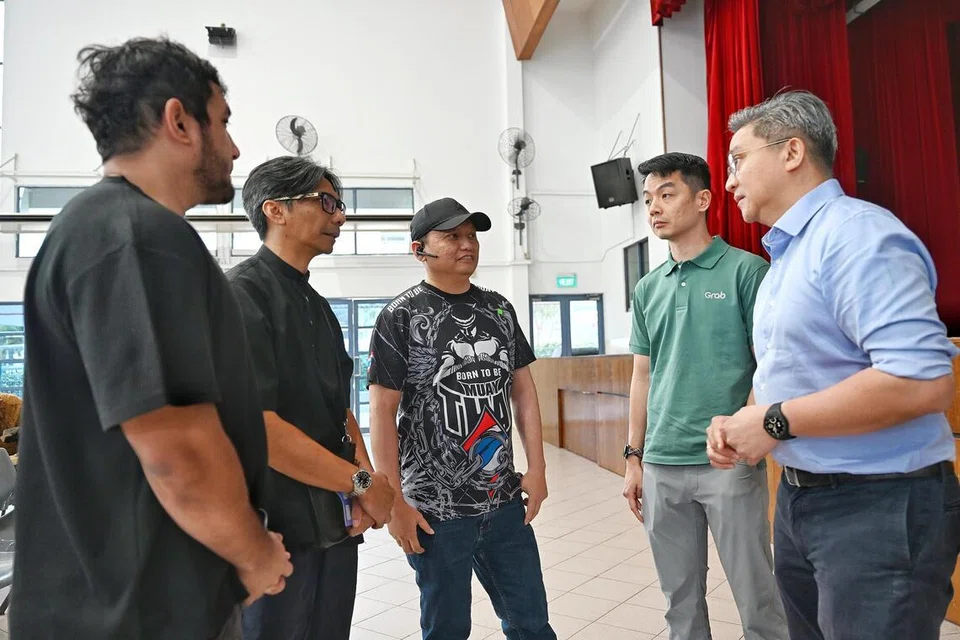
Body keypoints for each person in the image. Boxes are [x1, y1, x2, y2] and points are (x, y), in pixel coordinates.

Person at [12, 38, 293, 640]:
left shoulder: (105, 231)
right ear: (179, 121)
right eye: (222, 122)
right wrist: (255, 552)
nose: (235, 147)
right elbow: (176, 448)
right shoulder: (135, 238)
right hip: (135, 615)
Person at [707, 90, 960, 640]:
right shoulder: (784, 259)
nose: (730, 182)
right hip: (802, 498)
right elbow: (787, 373)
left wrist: (773, 422)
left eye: (739, 160)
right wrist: (743, 420)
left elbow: (921, 381)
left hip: (879, 504)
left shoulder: (855, 236)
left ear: (792, 151)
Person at [367, 197, 556, 640]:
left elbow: (524, 391)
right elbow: (381, 411)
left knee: (530, 622)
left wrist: (539, 468)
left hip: (504, 500)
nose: (466, 244)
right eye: (451, 236)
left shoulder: (499, 309)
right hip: (435, 511)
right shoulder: (400, 315)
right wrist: (394, 502)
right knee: (447, 629)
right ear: (420, 250)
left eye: (471, 235)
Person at [226, 155, 396, 639]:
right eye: (326, 203)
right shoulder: (242, 295)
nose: (339, 216)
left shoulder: (317, 305)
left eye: (339, 205)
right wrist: (362, 480)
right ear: (275, 210)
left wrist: (365, 493)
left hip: (334, 527)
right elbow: (259, 428)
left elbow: (339, 412)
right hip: (275, 533)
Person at [622, 152, 786, 640]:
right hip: (662, 465)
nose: (654, 208)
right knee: (680, 603)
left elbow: (772, 363)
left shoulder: (746, 272)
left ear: (703, 199)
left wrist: (746, 431)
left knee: (757, 596)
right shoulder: (648, 288)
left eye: (666, 195)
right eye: (649, 199)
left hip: (727, 463)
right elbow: (642, 377)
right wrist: (635, 457)